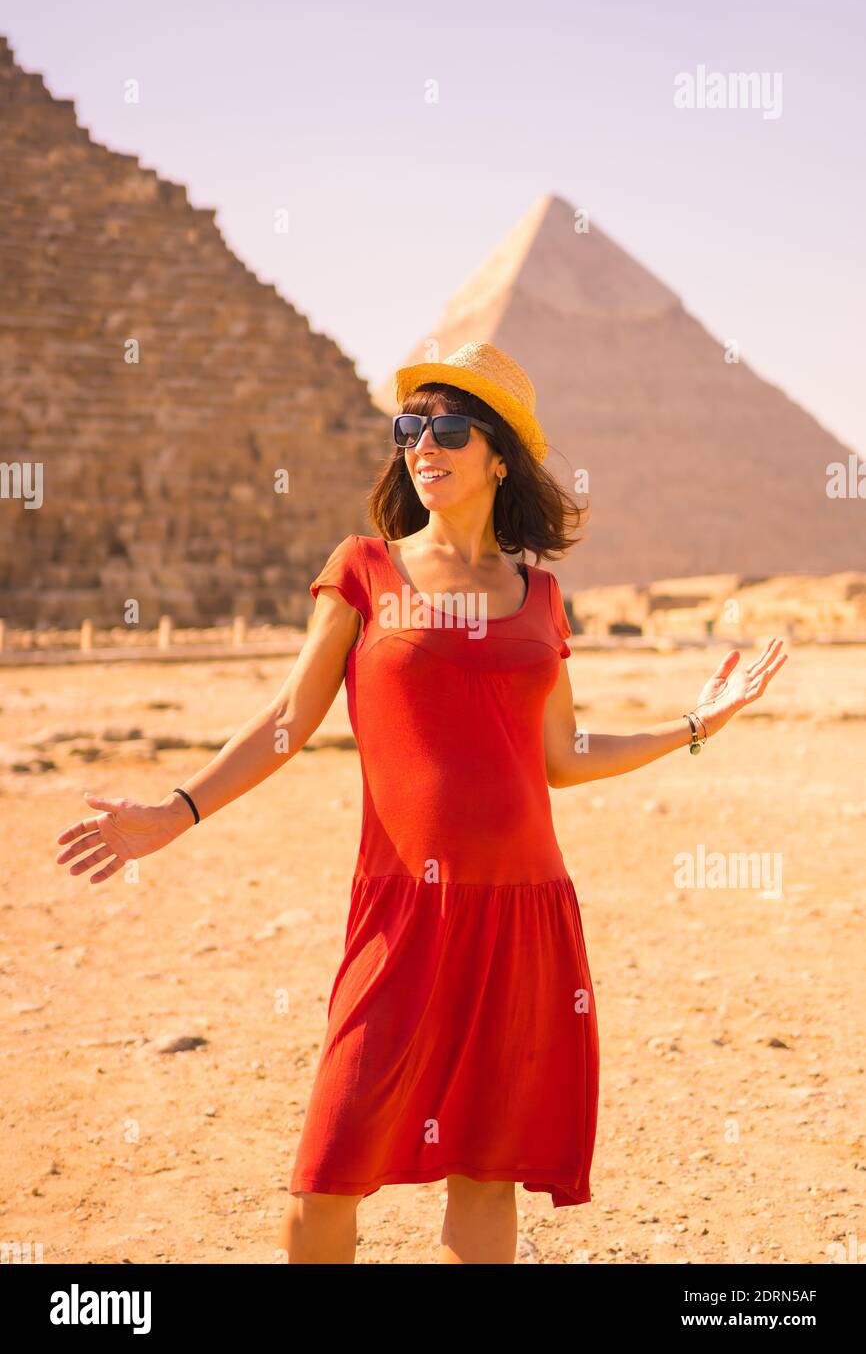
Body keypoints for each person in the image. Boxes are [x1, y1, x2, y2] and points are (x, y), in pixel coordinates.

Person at [55, 341, 788, 1264]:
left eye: (448, 427)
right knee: (327, 1174)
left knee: (485, 1175)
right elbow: (288, 717)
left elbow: (561, 756)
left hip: (524, 914)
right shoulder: (364, 570)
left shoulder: (542, 596)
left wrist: (692, 726)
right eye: (410, 427)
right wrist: (175, 810)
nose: (422, 445)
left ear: (499, 454)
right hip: (404, 912)